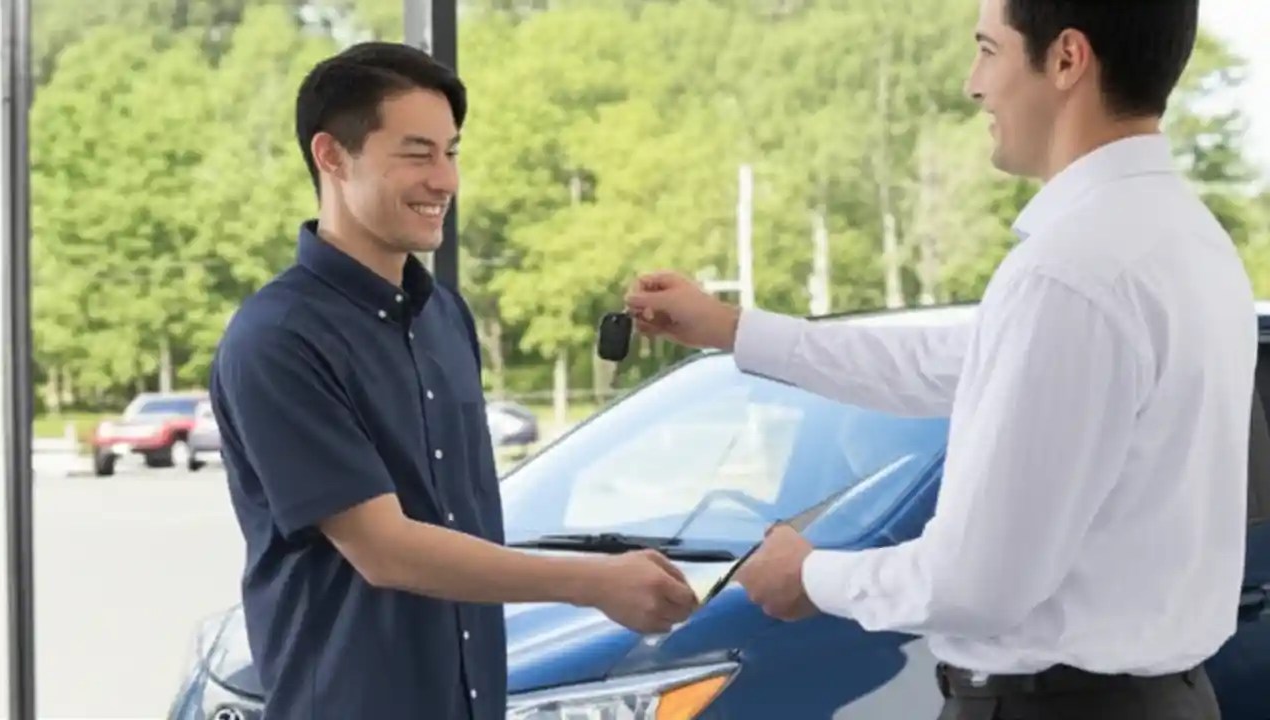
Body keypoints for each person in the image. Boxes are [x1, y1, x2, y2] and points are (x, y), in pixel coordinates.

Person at [624, 1, 1256, 718]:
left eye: (988, 50)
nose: (972, 83)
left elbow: (977, 582)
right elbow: (948, 361)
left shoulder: (1071, 271)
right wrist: (734, 328)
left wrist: (812, 576)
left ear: (1067, 60)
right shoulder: (1187, 241)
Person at [209, 42, 697, 720]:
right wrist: (592, 581)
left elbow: (462, 524)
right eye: (417, 154)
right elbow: (385, 549)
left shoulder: (445, 315)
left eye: (451, 153)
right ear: (331, 156)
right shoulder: (278, 339)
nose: (445, 180)